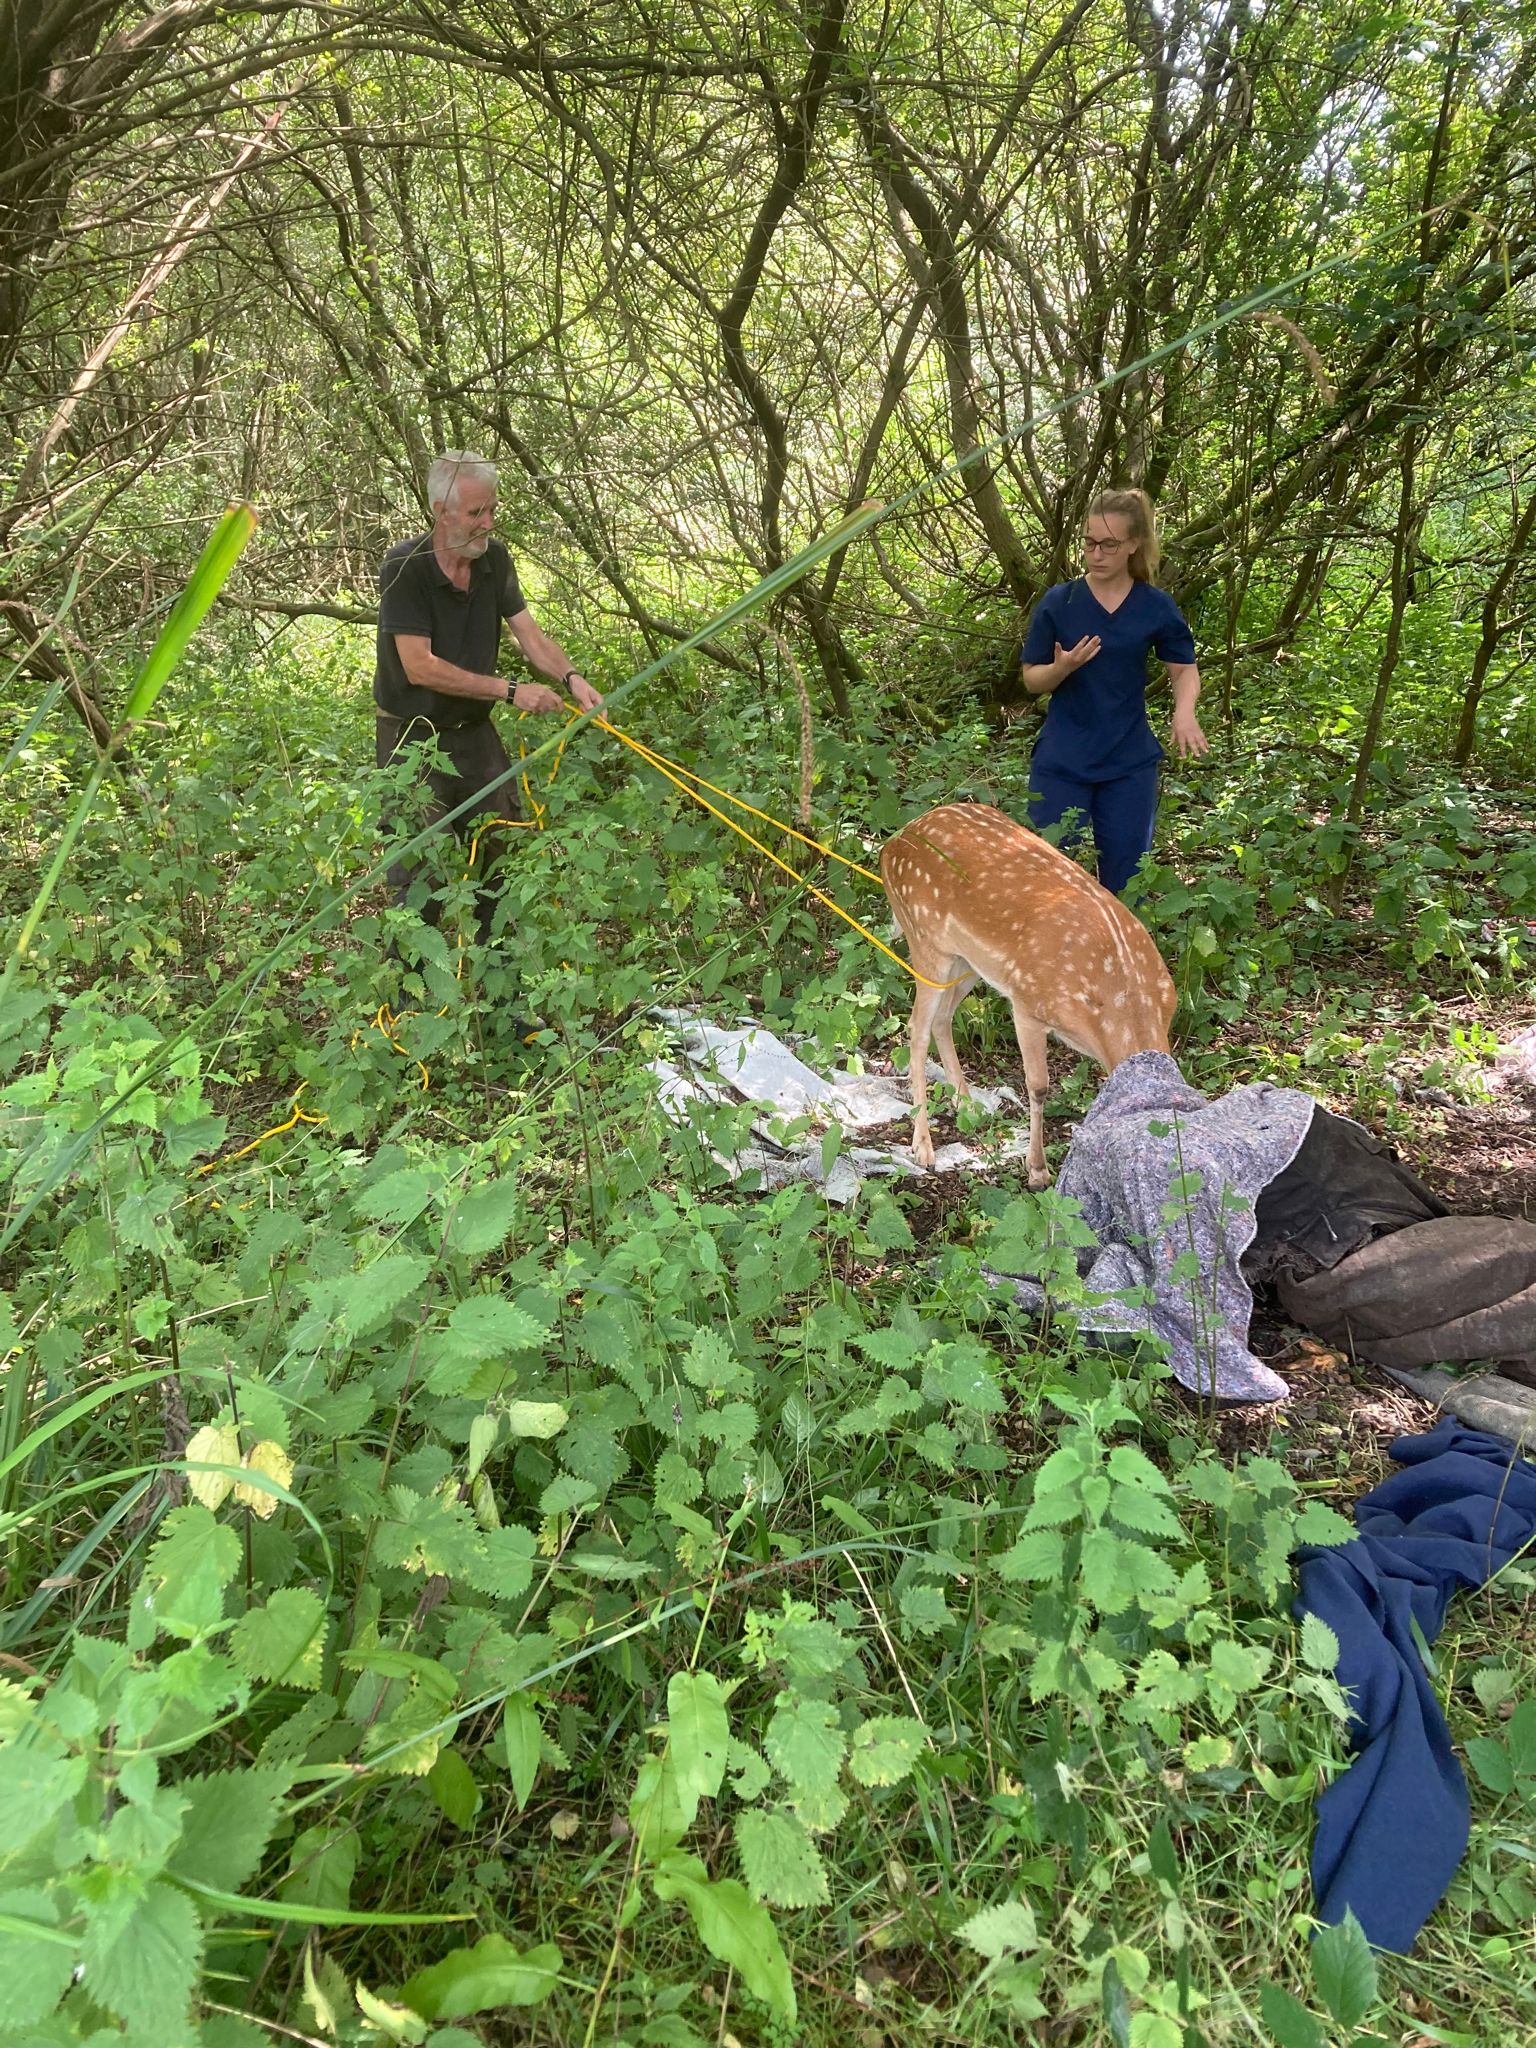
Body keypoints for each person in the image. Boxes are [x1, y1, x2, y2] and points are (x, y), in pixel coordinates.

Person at [373, 450, 603, 943]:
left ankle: (505, 1007)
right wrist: (511, 690)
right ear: (441, 511)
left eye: (492, 510)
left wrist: (571, 678)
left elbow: (530, 636)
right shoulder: (404, 567)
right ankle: (409, 1004)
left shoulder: (494, 561)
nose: (488, 522)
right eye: (477, 512)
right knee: (421, 878)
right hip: (411, 742)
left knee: (502, 861)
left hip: (474, 738)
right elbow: (420, 666)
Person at [1018, 487, 1207, 894]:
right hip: (1062, 760)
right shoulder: (1060, 601)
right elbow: (1032, 680)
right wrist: (1062, 668)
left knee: (1126, 885)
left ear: (1133, 545)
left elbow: (1183, 668)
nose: (1096, 554)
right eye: (1089, 543)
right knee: (1045, 884)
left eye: (1108, 544)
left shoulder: (1154, 605)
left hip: (1128, 762)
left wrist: (1184, 711)